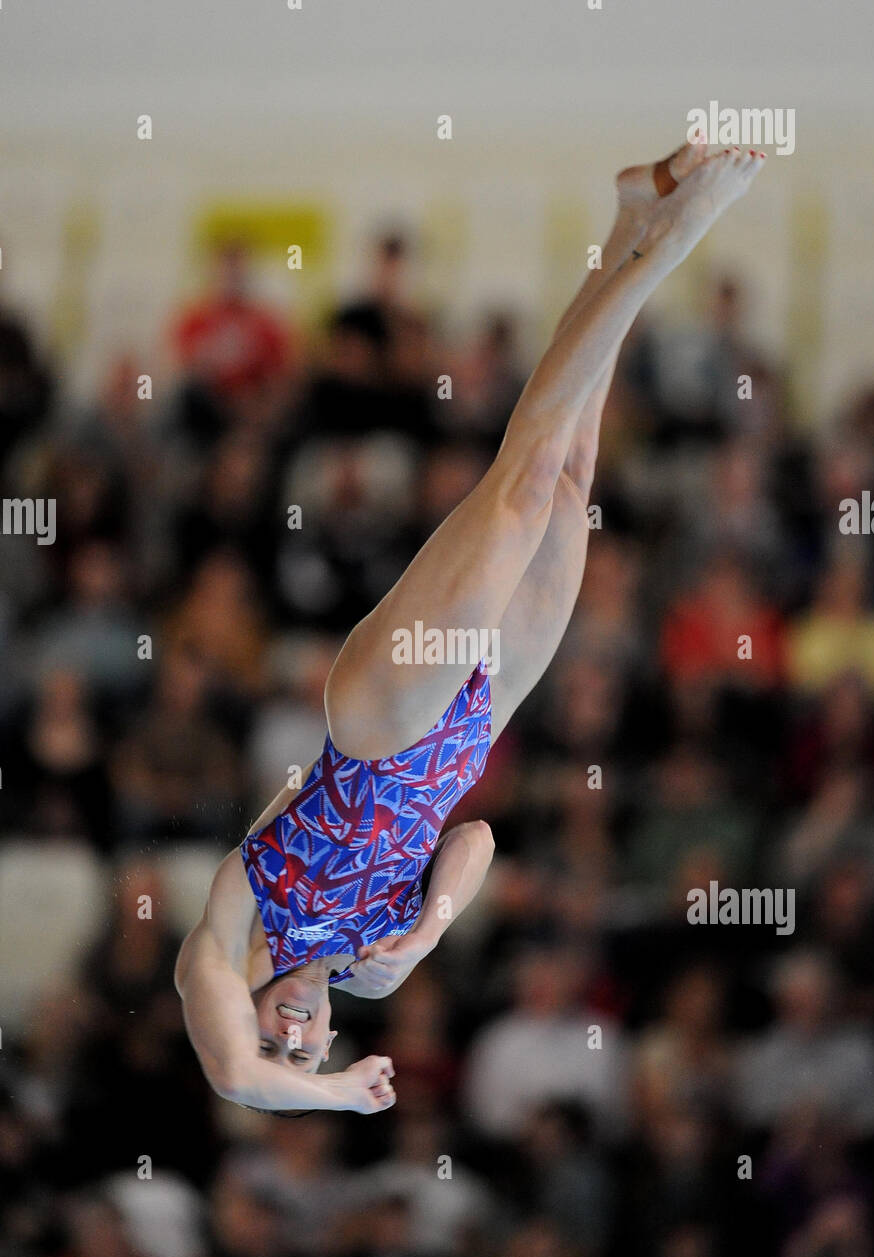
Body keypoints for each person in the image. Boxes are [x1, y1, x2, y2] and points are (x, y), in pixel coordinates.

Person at [175, 141, 765, 1117]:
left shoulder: (233, 931)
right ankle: (631, 221)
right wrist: (434, 924)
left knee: (523, 480)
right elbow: (480, 836)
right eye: (309, 1042)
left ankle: (675, 236)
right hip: (468, 733)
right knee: (570, 482)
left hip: (380, 720)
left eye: (281, 1034)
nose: (294, 1031)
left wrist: (318, 1092)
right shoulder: (374, 973)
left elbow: (235, 1072)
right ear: (330, 1032)